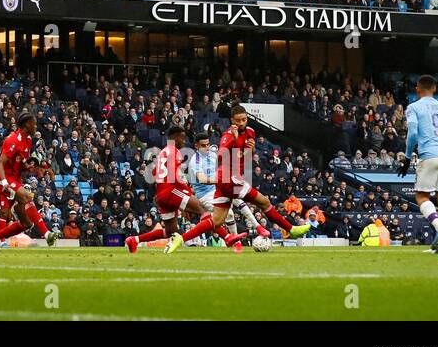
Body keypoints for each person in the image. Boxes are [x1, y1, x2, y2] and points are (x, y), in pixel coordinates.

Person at [125, 126, 247, 254]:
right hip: (172, 191)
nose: (184, 141)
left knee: (170, 231)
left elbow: (155, 172)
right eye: (182, 137)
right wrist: (188, 191)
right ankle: (227, 237)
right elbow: (176, 177)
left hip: (162, 195)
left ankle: (135, 240)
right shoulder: (175, 151)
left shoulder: (163, 152)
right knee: (203, 210)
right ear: (175, 137)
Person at [208, 106, 311, 242]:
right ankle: (290, 229)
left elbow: (248, 155)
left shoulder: (250, 132)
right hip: (229, 178)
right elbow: (221, 156)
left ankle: (182, 237)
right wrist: (234, 140)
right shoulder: (228, 135)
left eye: (244, 119)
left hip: (233, 177)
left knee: (216, 222)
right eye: (238, 120)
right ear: (232, 120)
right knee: (264, 202)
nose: (241, 123)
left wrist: (252, 149)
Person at [0, 112, 58, 250]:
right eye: (34, 123)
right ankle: (47, 234)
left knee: (26, 224)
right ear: (27, 124)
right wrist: (4, 183)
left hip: (16, 178)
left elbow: (19, 162)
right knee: (23, 199)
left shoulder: (28, 140)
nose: (36, 126)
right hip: (4, 178)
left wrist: (26, 166)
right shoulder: (12, 140)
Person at [400, 74, 438, 252]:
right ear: (434, 88)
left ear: (417, 88)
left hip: (429, 155)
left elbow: (414, 133)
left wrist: (408, 157)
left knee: (421, 196)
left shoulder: (413, 107)